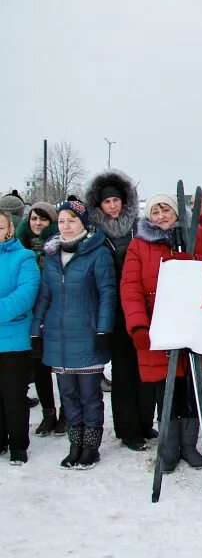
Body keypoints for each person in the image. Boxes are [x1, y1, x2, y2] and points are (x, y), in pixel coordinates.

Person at [120, 193, 202, 473]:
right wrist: (139, 325)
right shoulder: (140, 245)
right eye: (155, 212)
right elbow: (130, 288)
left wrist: (193, 260)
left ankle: (189, 444)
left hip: (194, 326)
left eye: (166, 210)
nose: (162, 216)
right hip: (160, 326)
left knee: (192, 390)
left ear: (177, 212)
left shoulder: (198, 236)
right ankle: (169, 447)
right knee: (167, 390)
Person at [31, 201, 116, 469]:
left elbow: (107, 294)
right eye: (62, 221)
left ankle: (91, 446)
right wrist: (37, 330)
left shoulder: (97, 253)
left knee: (89, 395)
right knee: (67, 394)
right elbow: (45, 295)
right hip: (58, 336)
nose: (66, 226)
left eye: (72, 221)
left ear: (83, 223)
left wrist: (104, 329)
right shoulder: (53, 255)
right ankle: (74, 444)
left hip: (87, 334)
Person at [84, 170, 156, 452]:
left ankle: (145, 421)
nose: (112, 206)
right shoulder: (94, 234)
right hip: (113, 311)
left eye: (117, 200)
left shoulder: (138, 228)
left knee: (146, 370)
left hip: (142, 310)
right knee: (124, 372)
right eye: (107, 202)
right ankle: (128, 429)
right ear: (98, 205)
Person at [16, 201, 64, 435]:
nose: (37, 223)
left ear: (51, 222)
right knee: (40, 365)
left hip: (56, 312)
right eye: (34, 218)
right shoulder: (20, 245)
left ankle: (66, 414)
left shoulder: (58, 246)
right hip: (30, 315)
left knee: (63, 366)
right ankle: (48, 413)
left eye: (43, 219)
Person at [0, 211, 40, 464]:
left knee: (13, 394)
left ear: (9, 229)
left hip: (13, 339)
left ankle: (18, 444)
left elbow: (26, 293)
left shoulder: (23, 257)